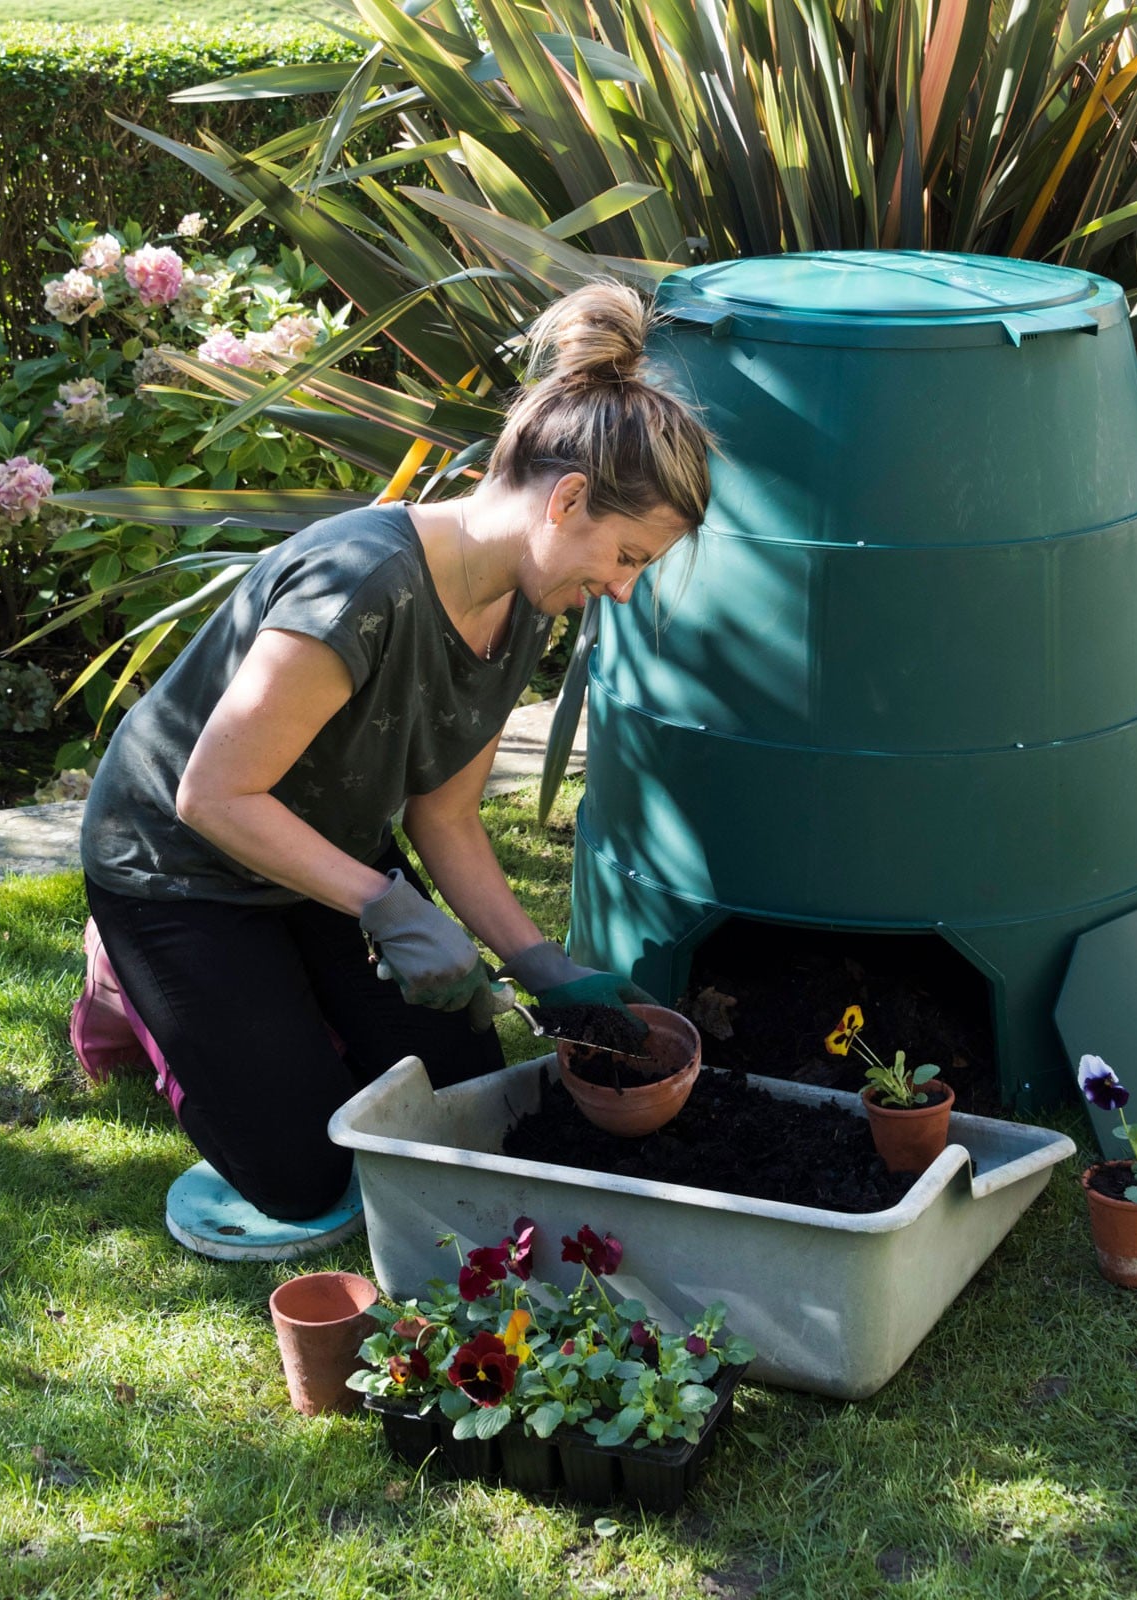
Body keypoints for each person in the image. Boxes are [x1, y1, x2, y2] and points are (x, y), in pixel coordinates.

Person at [70, 281, 712, 1257]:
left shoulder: (525, 605)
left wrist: (539, 963)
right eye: (626, 555)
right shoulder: (357, 584)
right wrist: (386, 907)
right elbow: (212, 794)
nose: (622, 590)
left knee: (461, 1098)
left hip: (321, 854)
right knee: (304, 1175)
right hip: (179, 866)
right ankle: (129, 985)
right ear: (567, 499)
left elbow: (444, 815)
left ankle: (284, 997)